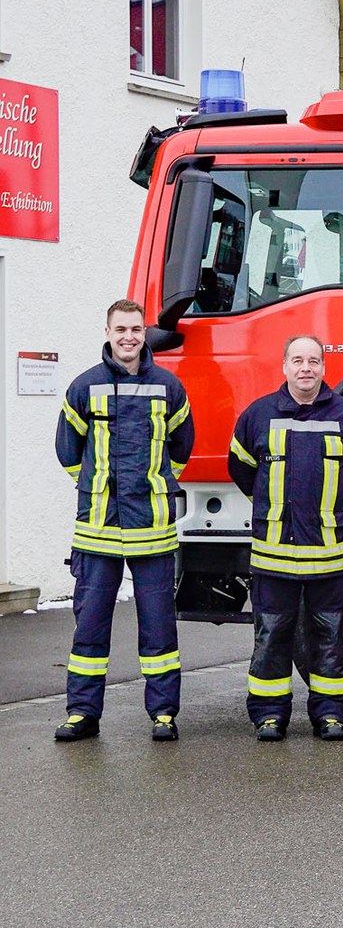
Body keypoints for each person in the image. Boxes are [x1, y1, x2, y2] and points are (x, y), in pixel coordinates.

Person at [53, 300, 195, 742]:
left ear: (144, 333)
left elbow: (182, 449)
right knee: (90, 628)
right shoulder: (84, 387)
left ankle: (164, 714)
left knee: (158, 630)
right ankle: (82, 713)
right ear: (109, 332)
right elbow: (67, 449)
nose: (129, 337)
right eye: (121, 329)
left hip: (152, 530)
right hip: (98, 530)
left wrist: (157, 485)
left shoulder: (169, 387)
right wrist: (94, 485)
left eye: (136, 329)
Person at [227, 335, 343, 741]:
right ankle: (269, 716)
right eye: (298, 360)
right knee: (271, 637)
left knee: (329, 639)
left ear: (324, 367)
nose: (306, 368)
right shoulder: (258, 415)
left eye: (313, 360)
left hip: (329, 554)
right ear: (284, 366)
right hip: (274, 555)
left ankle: (330, 715)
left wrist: (335, 508)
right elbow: (242, 471)